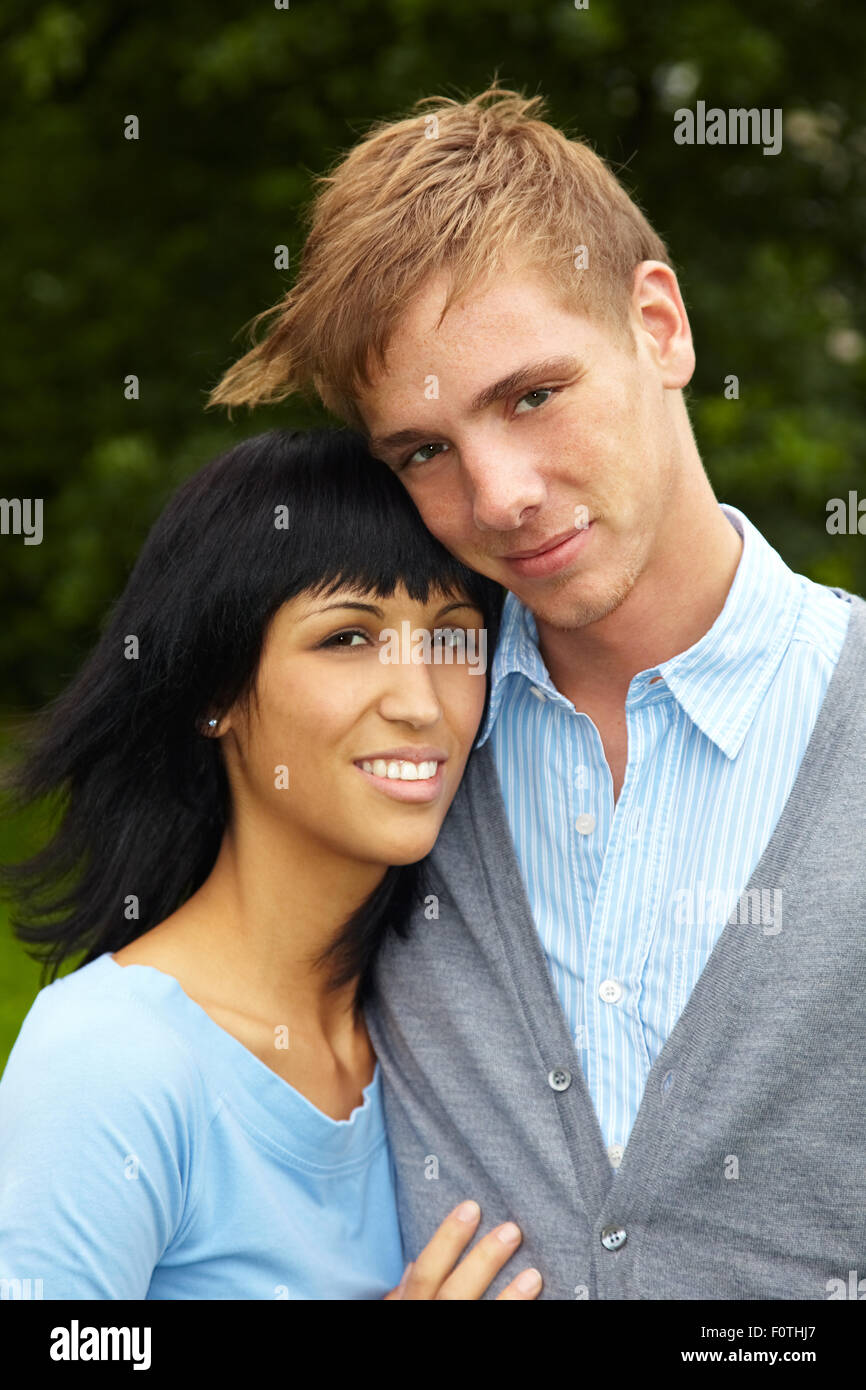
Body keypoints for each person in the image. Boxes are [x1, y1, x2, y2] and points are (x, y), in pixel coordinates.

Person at [206, 86, 866, 1299]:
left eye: (529, 395)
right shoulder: (387, 760)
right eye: (424, 451)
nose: (498, 494)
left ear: (658, 326)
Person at [0, 426, 544, 1301]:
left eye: (453, 637)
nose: (418, 703)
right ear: (216, 691)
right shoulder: (113, 1061)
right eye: (347, 639)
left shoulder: (440, 1026)